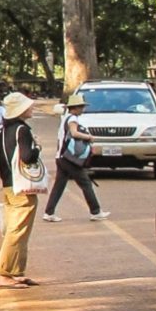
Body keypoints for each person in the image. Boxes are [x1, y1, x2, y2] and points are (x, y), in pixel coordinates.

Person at [0, 90, 43, 289]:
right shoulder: (22, 130)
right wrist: (37, 148)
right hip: (21, 187)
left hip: (8, 185)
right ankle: (5, 273)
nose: (31, 108)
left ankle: (16, 271)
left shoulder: (4, 131)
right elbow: (26, 157)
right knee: (17, 231)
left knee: (18, 230)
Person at [42, 92, 108, 223]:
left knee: (59, 185)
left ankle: (49, 212)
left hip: (61, 157)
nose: (83, 109)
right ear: (76, 107)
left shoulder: (65, 118)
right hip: (68, 158)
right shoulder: (72, 119)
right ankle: (95, 211)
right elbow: (74, 133)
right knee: (85, 183)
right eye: (81, 107)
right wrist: (89, 137)